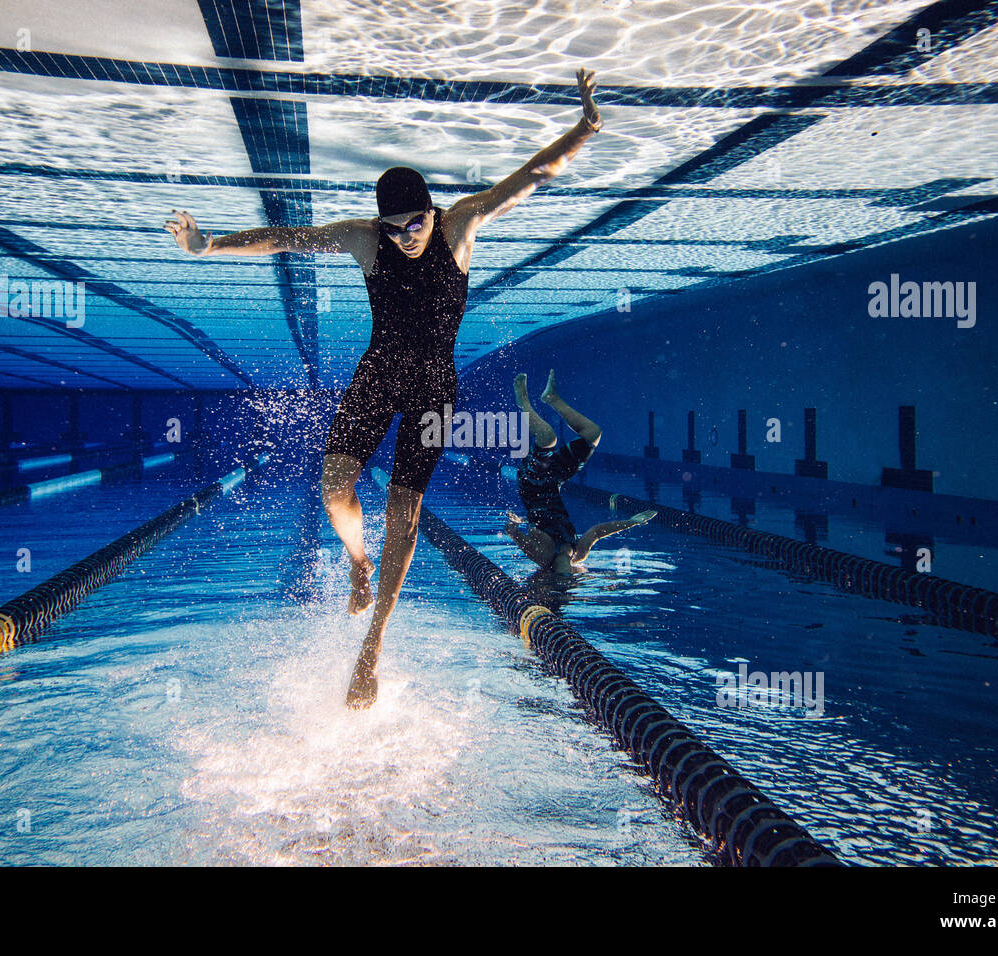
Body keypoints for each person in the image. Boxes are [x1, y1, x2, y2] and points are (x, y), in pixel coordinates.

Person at [166, 69, 605, 709]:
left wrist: (584, 128)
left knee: (405, 513)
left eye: (414, 223)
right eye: (394, 226)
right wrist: (209, 246)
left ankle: (372, 646)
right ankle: (356, 560)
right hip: (378, 373)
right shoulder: (364, 238)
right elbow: (287, 239)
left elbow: (530, 177)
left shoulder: (459, 227)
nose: (405, 236)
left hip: (432, 389)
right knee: (333, 485)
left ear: (432, 211)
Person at [504, 370, 655, 574]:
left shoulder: (542, 556)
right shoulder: (579, 553)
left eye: (566, 577)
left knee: (548, 438)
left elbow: (512, 532)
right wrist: (630, 522)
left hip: (532, 485)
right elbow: (597, 532)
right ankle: (552, 399)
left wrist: (514, 526)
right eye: (572, 575)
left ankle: (523, 403)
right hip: (554, 482)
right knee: (593, 434)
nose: (574, 573)